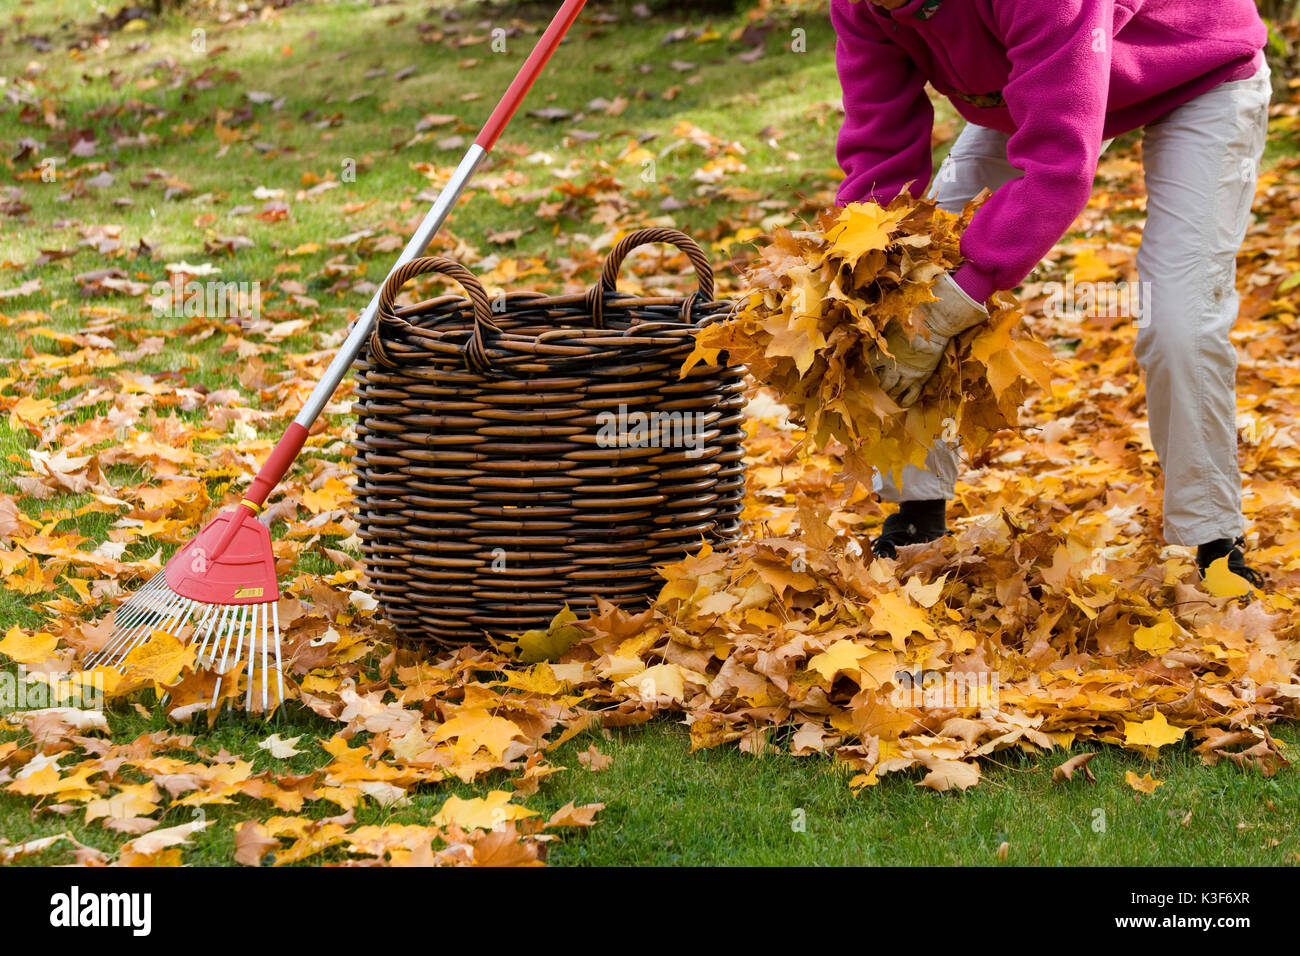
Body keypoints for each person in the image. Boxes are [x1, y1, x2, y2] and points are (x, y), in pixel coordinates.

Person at [833, 0, 1271, 585]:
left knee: (1178, 318)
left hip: (1197, 71)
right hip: (1041, 91)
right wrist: (866, 266)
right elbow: (879, 147)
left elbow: (1059, 165)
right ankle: (916, 515)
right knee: (910, 273)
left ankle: (1213, 540)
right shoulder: (862, 7)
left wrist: (962, 296)